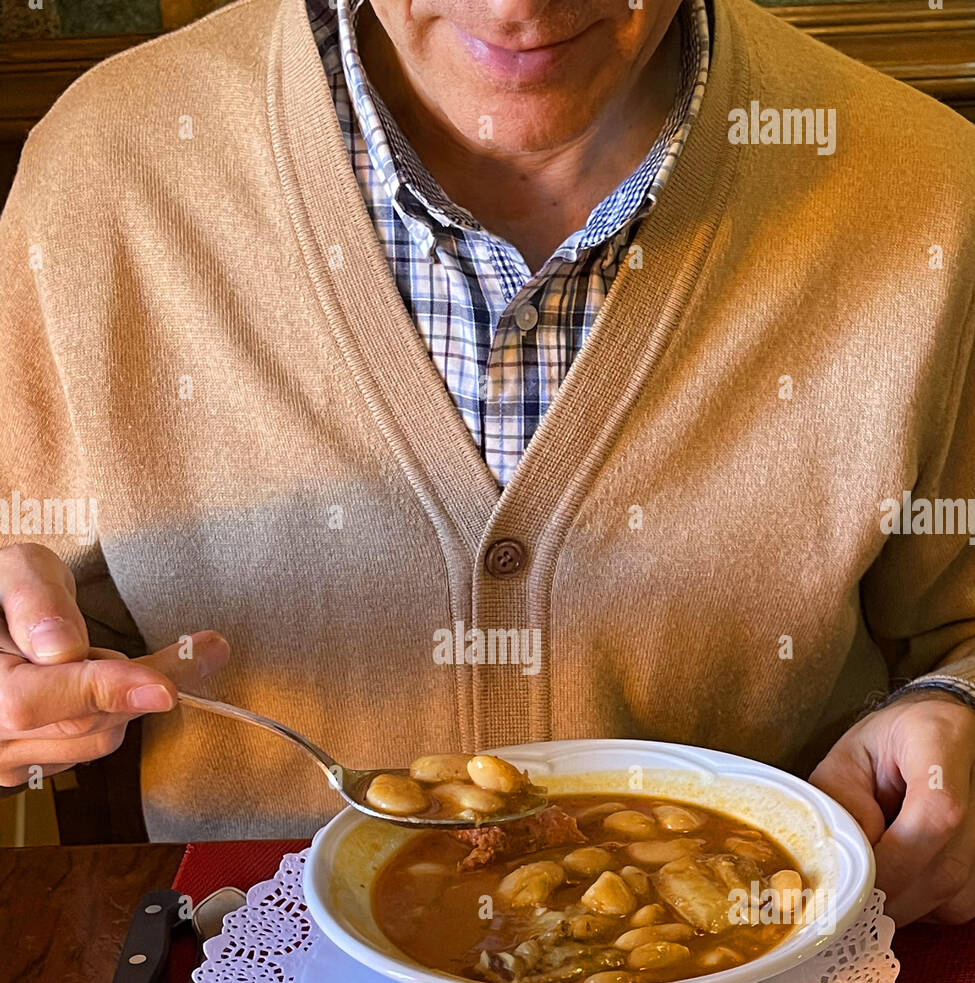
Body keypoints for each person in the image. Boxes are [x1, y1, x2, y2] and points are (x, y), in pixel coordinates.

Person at [1, 0, 974, 927]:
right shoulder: (105, 167)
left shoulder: (926, 183)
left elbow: (960, 631)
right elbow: (39, 608)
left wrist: (956, 706)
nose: (519, 11)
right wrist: (25, 672)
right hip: (239, 981)